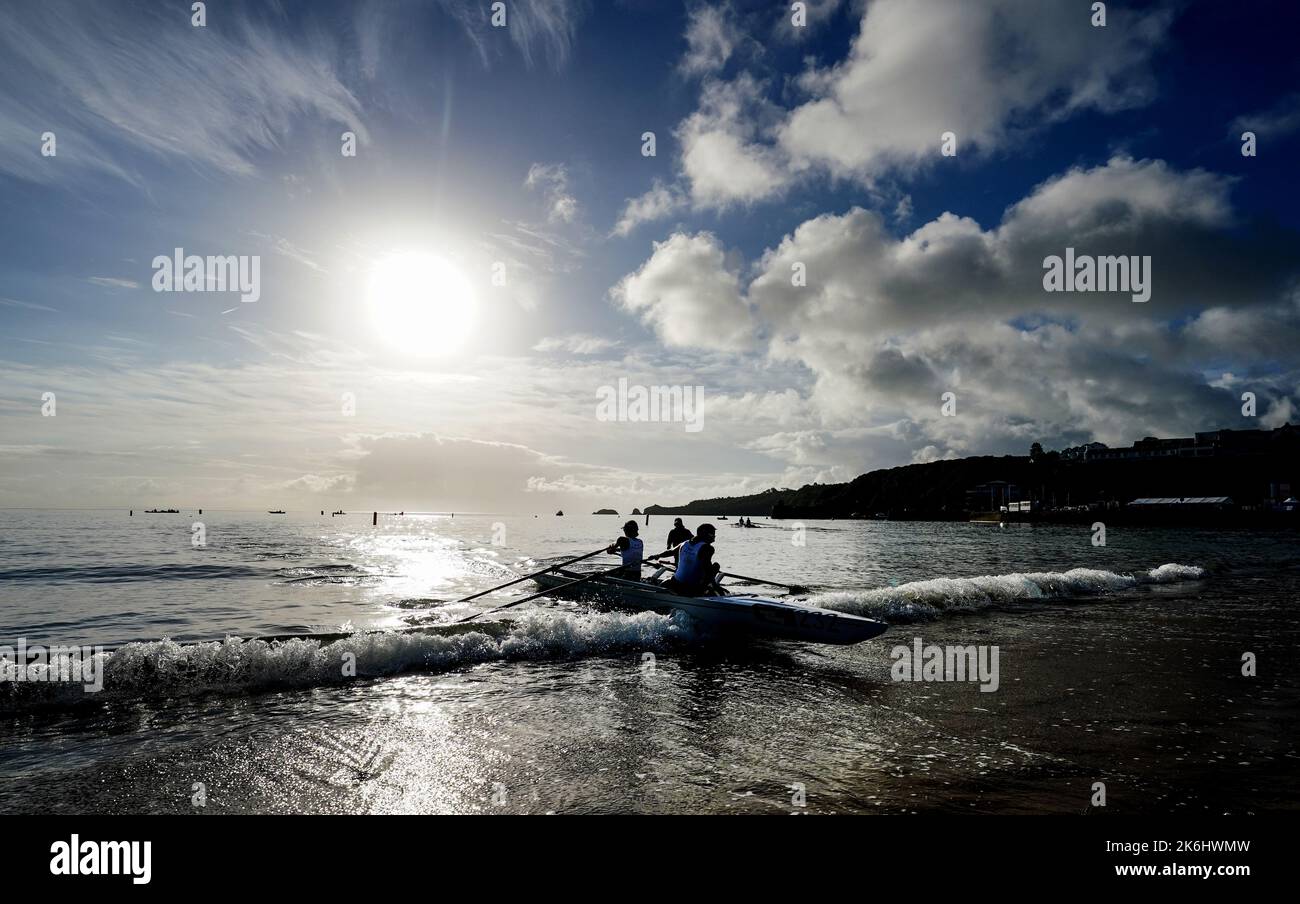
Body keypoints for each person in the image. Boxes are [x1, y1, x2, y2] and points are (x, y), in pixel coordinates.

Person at [666, 523, 722, 596]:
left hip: (675, 583)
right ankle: (701, 591)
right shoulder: (707, 548)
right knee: (716, 566)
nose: (714, 536)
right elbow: (708, 570)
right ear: (706, 535)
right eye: (713, 534)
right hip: (692, 588)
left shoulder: (684, 543)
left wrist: (656, 556)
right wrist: (715, 586)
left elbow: (670, 552)